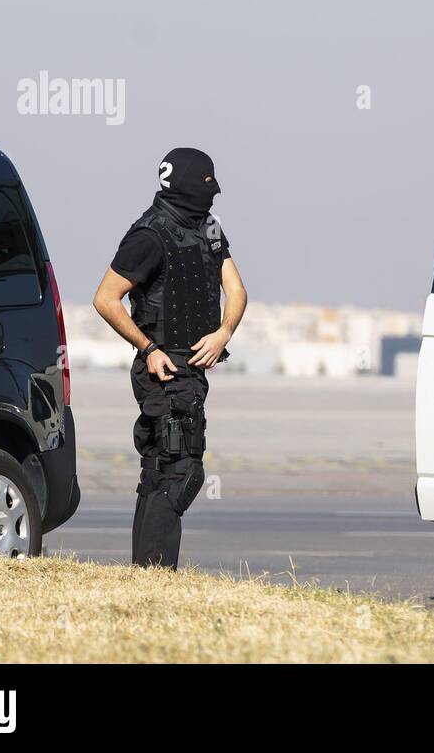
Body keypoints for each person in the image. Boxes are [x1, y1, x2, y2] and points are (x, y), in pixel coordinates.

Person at [93, 148, 247, 568]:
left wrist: (223, 333)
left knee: (160, 470)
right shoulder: (149, 235)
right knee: (181, 472)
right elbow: (105, 299)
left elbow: (236, 290)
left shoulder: (208, 228)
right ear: (186, 183)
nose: (214, 191)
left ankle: (145, 573)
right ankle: (155, 572)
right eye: (207, 183)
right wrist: (148, 349)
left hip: (193, 372)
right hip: (161, 369)